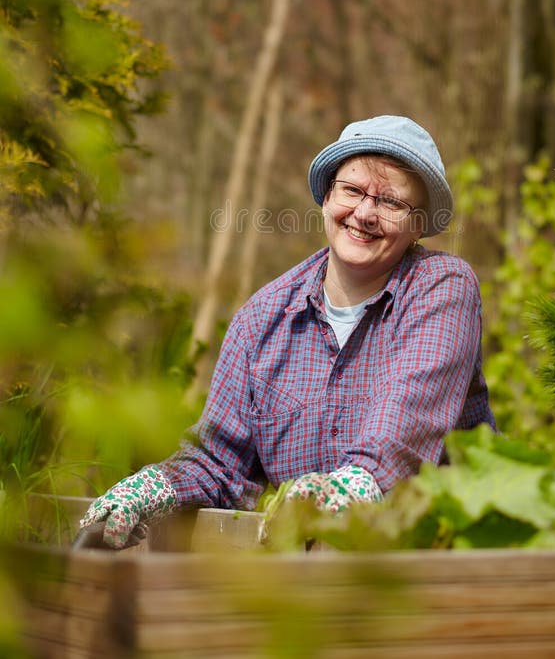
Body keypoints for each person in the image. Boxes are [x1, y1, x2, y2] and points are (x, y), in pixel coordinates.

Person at [80, 115, 496, 548]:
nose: (365, 213)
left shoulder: (442, 288)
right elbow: (220, 462)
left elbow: (406, 420)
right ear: (327, 195)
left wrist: (357, 483)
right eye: (352, 191)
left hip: (439, 566)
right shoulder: (261, 321)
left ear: (417, 226)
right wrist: (156, 487)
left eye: (391, 202)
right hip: (309, 585)